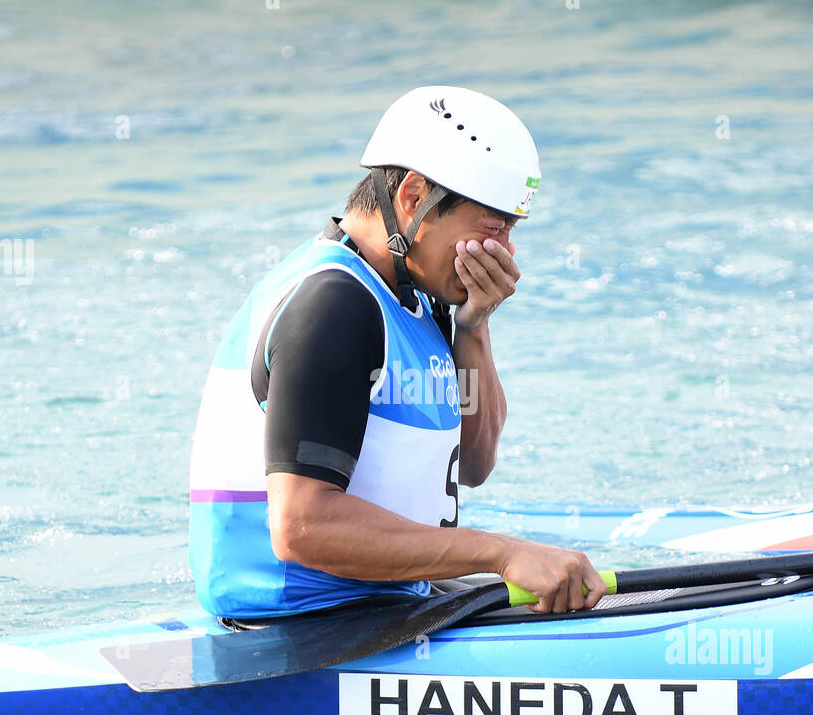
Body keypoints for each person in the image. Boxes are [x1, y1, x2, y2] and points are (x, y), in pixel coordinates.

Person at [188, 85, 607, 620]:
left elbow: (474, 465)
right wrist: (503, 553)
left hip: (386, 603)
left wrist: (473, 328)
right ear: (413, 198)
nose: (508, 252)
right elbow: (302, 528)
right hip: (301, 628)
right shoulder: (334, 303)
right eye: (493, 229)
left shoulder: (416, 300)